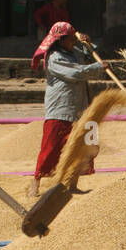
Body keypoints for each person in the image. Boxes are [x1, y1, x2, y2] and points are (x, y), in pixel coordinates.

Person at [27, 21, 109, 198]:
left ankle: (72, 184)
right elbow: (75, 73)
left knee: (85, 146)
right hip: (61, 108)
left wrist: (87, 43)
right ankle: (36, 182)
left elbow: (88, 56)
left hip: (81, 107)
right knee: (51, 148)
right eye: (70, 39)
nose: (73, 41)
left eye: (74, 38)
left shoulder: (75, 52)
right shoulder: (54, 57)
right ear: (60, 40)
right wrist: (97, 68)